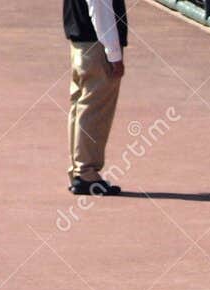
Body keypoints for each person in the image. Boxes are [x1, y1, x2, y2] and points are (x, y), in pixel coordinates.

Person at [65, 0, 127, 197]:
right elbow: (100, 11)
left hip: (80, 44)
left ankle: (79, 170)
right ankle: (86, 173)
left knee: (80, 106)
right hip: (96, 46)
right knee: (94, 110)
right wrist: (114, 55)